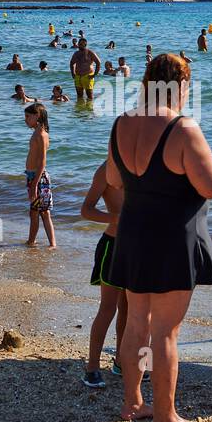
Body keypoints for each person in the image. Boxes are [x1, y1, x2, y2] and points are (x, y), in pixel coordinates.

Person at [105, 54, 212, 422]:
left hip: (133, 232)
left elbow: (114, 178)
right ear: (182, 86)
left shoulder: (121, 123)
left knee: (137, 323)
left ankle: (132, 401)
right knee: (167, 332)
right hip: (173, 237)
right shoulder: (183, 128)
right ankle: (165, 415)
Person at [80, 162, 127, 388]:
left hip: (140, 247)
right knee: (108, 308)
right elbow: (86, 209)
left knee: (133, 310)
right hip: (114, 245)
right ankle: (92, 367)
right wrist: (117, 218)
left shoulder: (147, 165)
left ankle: (122, 361)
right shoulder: (107, 169)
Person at [24, 102, 55, 248]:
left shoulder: (41, 135)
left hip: (39, 178)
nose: (25, 120)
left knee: (41, 212)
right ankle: (35, 242)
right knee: (37, 212)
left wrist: (34, 184)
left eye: (28, 116)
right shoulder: (36, 133)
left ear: (37, 116)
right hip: (33, 176)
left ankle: (46, 244)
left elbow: (42, 161)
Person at [69, 38, 101, 104]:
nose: (80, 45)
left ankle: (89, 110)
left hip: (87, 76)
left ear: (85, 44)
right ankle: (80, 110)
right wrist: (73, 73)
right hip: (78, 76)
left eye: (81, 44)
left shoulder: (90, 52)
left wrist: (95, 74)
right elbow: (72, 63)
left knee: (90, 96)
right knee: (79, 96)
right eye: (79, 44)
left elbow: (98, 62)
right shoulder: (76, 53)